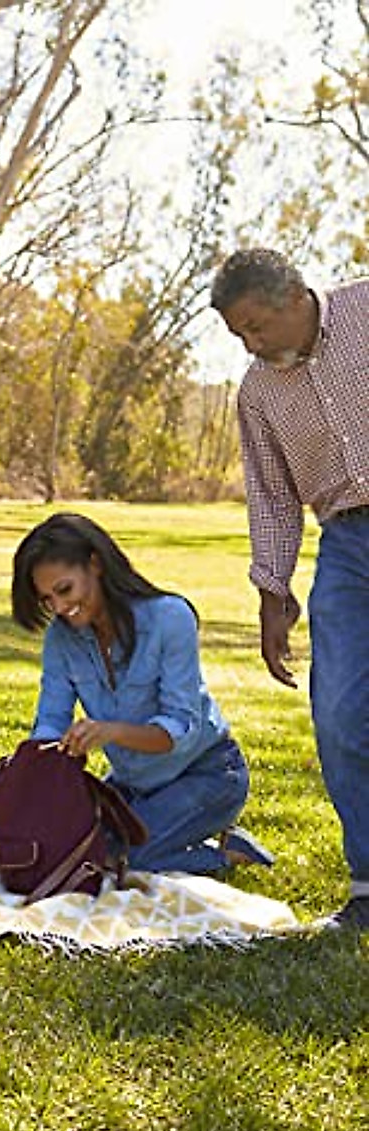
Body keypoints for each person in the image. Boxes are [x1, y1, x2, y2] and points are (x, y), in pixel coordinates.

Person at [210, 247, 369, 928]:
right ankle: (368, 888)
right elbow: (272, 498)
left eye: (254, 326)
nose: (250, 344)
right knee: (337, 712)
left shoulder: (365, 309)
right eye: (237, 334)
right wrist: (272, 594)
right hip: (346, 546)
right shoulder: (258, 393)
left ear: (292, 297)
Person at [10, 512, 268, 875]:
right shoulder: (61, 638)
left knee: (128, 860)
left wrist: (109, 731)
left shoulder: (170, 618)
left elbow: (178, 730)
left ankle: (229, 855)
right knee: (71, 850)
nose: (59, 608)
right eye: (47, 599)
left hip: (208, 775)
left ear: (95, 564)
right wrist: (31, 769)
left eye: (64, 590)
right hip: (134, 785)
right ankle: (170, 835)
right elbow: (50, 721)